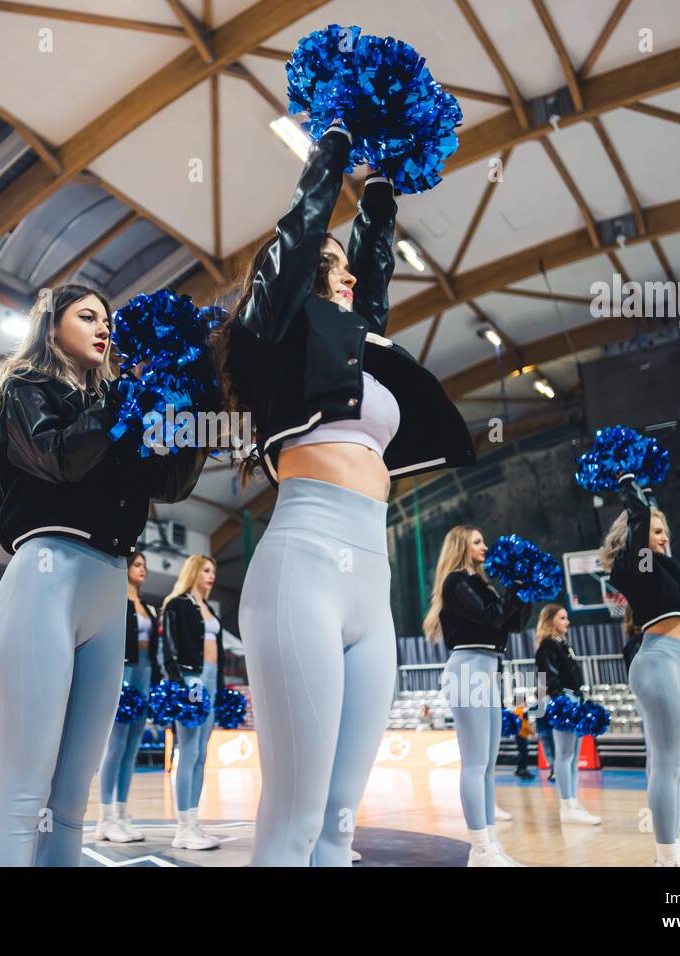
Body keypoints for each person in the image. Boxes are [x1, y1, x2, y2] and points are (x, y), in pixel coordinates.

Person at [210, 121, 473, 867]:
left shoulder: (355, 351)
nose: (346, 270)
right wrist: (330, 151)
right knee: (293, 818)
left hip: (371, 581)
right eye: (330, 263)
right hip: (303, 568)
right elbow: (297, 240)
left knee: (338, 823)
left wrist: (381, 191)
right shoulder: (270, 340)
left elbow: (374, 277)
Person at [0, 283, 207, 866]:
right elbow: (60, 457)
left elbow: (173, 483)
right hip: (45, 577)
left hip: (108, 590)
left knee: (72, 795)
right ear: (52, 329)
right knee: (25, 789)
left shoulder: (123, 408)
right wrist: (125, 399)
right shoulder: (27, 391)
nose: (104, 327)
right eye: (87, 317)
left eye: (108, 319)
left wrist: (184, 396)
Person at [602, 475, 680, 866]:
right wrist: (632, 494)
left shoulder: (663, 568)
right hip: (657, 664)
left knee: (671, 766)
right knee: (667, 765)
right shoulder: (632, 565)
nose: (662, 537)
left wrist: (649, 502)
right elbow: (638, 530)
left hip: (670, 667)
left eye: (665, 531)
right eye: (656, 531)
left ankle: (667, 853)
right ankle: (667, 858)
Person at [424, 526, 528, 867]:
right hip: (467, 669)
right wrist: (512, 586)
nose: (486, 546)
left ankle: (491, 845)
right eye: (478, 541)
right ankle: (479, 849)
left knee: (487, 767)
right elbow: (492, 615)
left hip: (488, 669)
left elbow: (511, 624)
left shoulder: (482, 585)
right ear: (461, 545)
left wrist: (524, 587)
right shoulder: (456, 582)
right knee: (474, 763)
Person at [94, 550, 160, 843]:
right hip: (124, 673)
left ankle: (121, 814)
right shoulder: (114, 599)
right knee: (115, 747)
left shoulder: (149, 607)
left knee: (131, 750)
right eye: (137, 564)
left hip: (145, 674)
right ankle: (105, 817)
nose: (142, 569)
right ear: (126, 567)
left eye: (145, 566)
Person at [162, 554, 225, 851]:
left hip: (212, 682)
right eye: (207, 570)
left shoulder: (209, 609)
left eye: (214, 571)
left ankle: (193, 822)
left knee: (201, 753)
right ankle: (183, 827)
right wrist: (181, 684)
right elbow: (169, 649)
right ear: (194, 572)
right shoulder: (177, 604)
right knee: (187, 751)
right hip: (193, 681)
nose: (212, 575)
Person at [534, 604, 600, 825]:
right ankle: (566, 804)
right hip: (563, 701)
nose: (567, 622)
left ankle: (573, 801)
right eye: (562, 618)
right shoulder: (547, 645)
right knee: (563, 755)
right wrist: (561, 699)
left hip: (574, 699)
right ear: (550, 620)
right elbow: (548, 678)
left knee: (572, 757)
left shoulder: (563, 644)